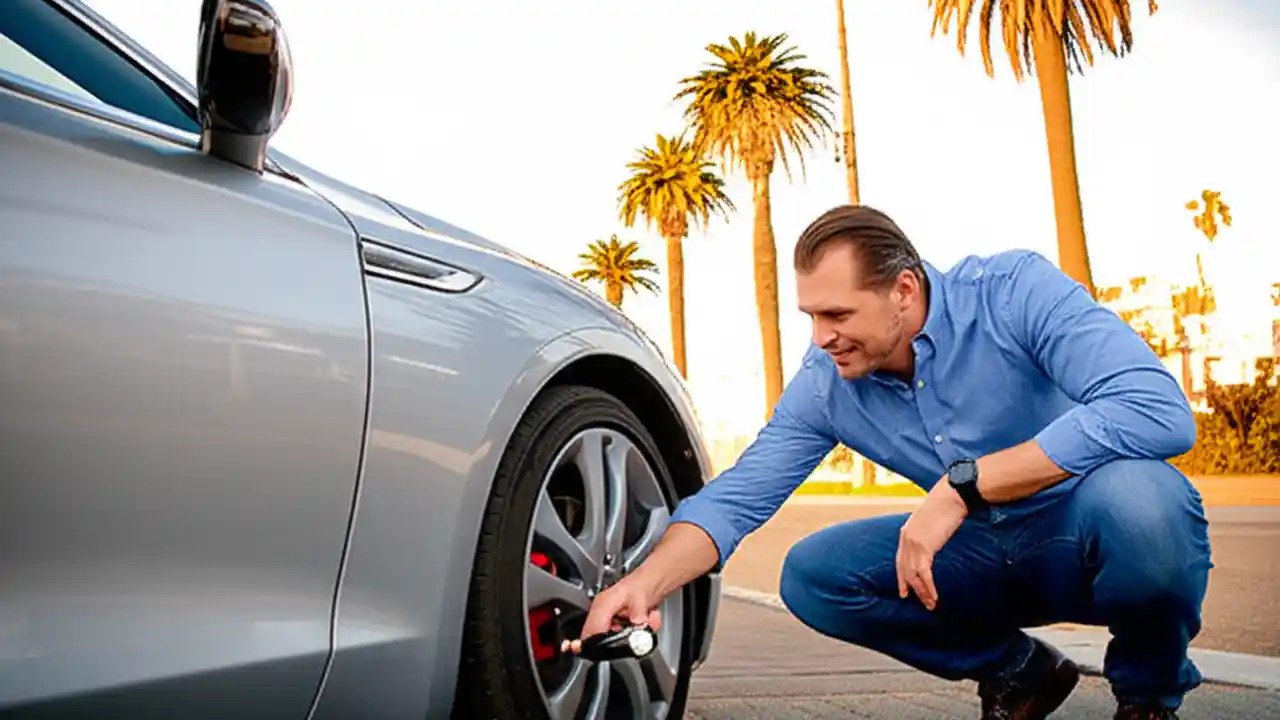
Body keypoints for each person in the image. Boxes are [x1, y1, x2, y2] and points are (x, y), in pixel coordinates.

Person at [564, 204, 1213, 720]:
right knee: (814, 575)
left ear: (903, 289)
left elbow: (1156, 409)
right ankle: (1018, 670)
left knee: (1144, 503)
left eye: (837, 313)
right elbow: (736, 500)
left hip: (1084, 539)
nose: (821, 337)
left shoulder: (1014, 293)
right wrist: (643, 586)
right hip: (982, 559)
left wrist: (965, 487)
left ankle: (1147, 701)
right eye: (811, 315)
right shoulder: (828, 382)